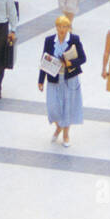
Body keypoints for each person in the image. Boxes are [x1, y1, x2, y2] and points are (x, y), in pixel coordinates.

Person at [38, 15, 85, 147]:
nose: (62, 29)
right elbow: (44, 60)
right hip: (54, 77)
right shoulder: (49, 40)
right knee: (53, 108)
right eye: (59, 26)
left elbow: (83, 58)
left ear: (68, 27)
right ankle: (59, 126)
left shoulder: (74, 39)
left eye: (64, 26)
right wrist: (41, 80)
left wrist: (71, 63)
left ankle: (65, 134)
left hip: (69, 78)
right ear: (56, 27)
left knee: (67, 106)